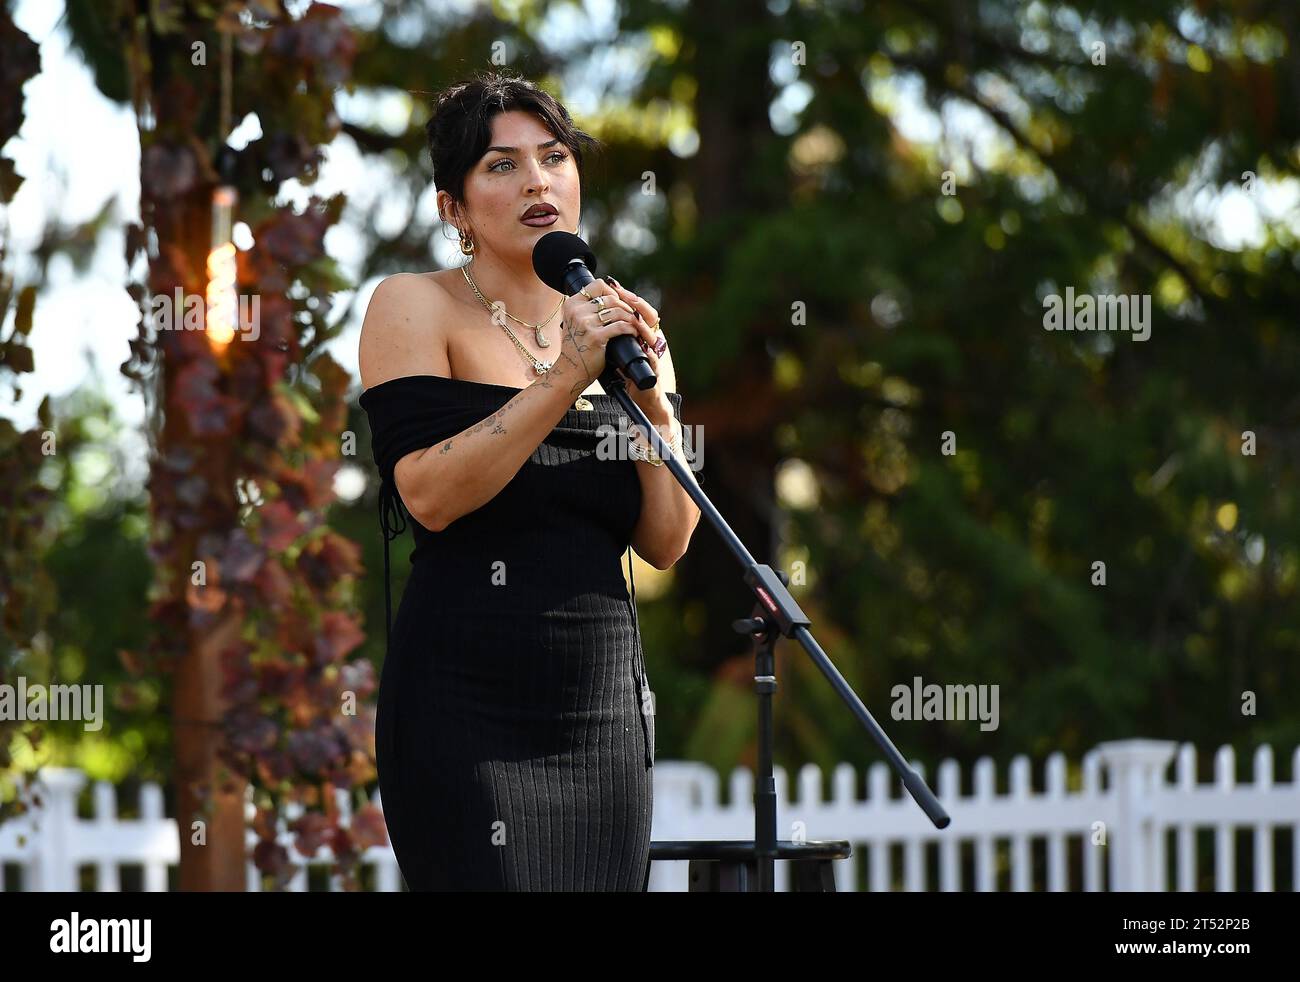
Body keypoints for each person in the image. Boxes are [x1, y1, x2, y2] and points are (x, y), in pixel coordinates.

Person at [357, 72, 701, 890]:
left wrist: (648, 391)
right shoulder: (413, 306)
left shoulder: (625, 330)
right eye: (502, 166)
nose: (538, 181)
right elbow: (429, 496)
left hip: (602, 712)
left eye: (553, 157)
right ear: (455, 209)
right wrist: (562, 379)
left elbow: (669, 539)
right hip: (464, 705)